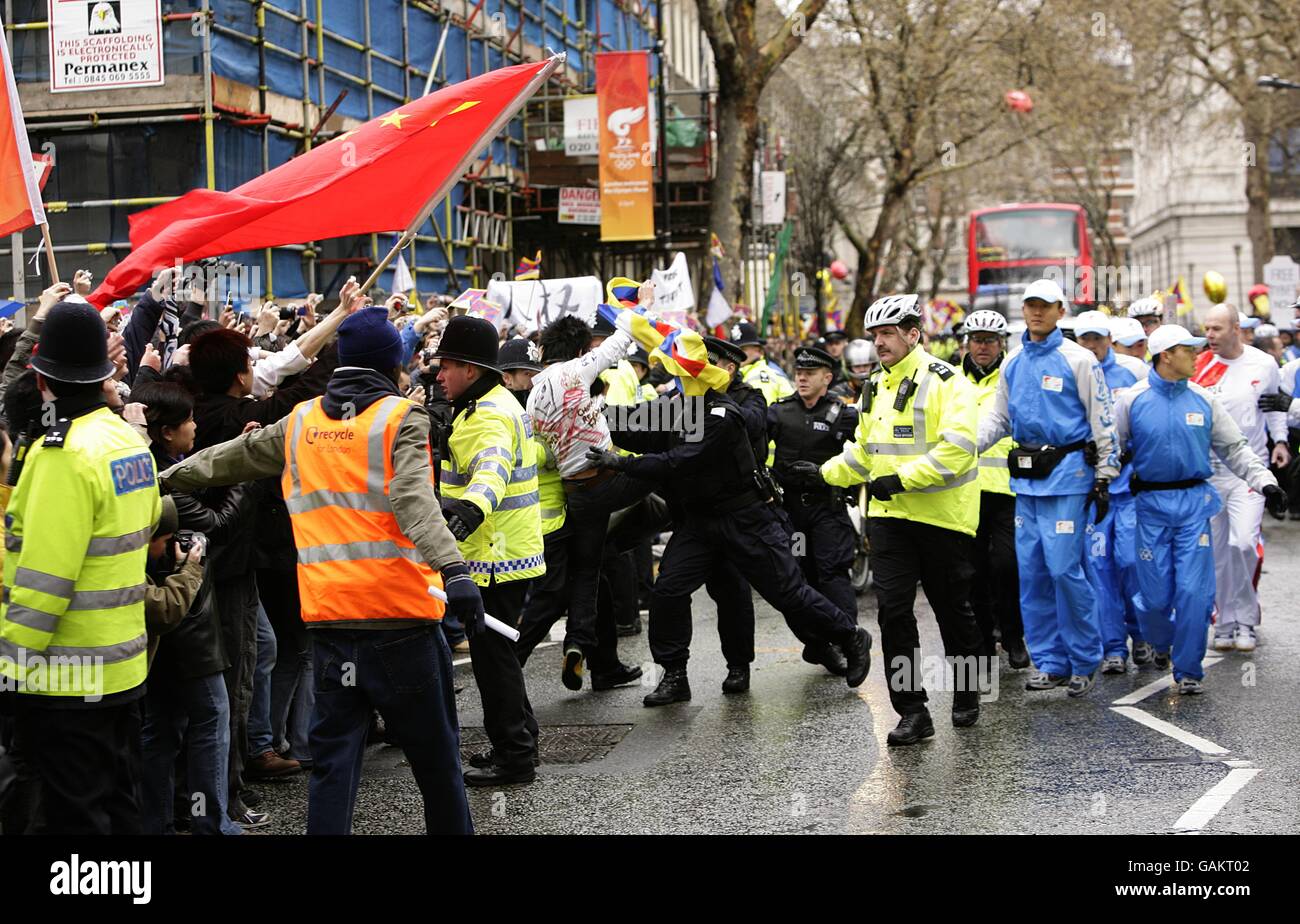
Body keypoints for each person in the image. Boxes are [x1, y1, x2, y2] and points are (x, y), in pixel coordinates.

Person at [161, 302, 479, 834]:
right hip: (400, 621)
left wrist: (164, 478)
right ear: (391, 365)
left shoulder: (301, 421)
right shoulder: (401, 417)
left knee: (333, 767)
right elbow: (413, 500)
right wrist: (455, 570)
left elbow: (227, 457)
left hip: (330, 625)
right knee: (436, 762)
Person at [588, 351, 872, 707]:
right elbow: (640, 428)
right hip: (699, 522)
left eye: (683, 374)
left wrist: (622, 464)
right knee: (669, 590)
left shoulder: (723, 413)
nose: (674, 381)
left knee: (787, 592)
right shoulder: (679, 406)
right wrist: (592, 414)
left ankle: (850, 636)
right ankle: (674, 674)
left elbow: (679, 460)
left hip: (746, 518)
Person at [0, 301, 161, 834]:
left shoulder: (61, 457)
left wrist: (9, 668)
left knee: (76, 819)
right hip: (123, 665)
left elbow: (43, 586)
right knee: (120, 805)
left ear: (43, 380)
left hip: (65, 675)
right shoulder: (126, 442)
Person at [816, 294, 985, 746]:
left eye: (888, 333)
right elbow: (866, 449)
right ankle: (912, 710)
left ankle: (967, 692)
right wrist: (823, 474)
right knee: (894, 615)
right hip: (891, 519)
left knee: (954, 613)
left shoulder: (947, 382)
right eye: (874, 335)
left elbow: (957, 449)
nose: (879, 343)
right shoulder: (875, 385)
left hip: (944, 519)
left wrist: (902, 480)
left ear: (914, 333)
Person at [1116, 325, 1284, 693]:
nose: (1197, 355)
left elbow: (1235, 448)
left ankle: (1189, 669)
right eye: (1188, 350)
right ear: (1165, 356)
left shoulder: (1203, 400)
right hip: (1151, 508)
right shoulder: (1132, 400)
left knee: (1195, 593)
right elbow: (1113, 449)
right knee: (1155, 598)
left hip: (1194, 507)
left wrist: (1265, 482)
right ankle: (1160, 643)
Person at [978, 279, 1119, 698]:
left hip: (1071, 477)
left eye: (1045, 306)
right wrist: (960, 445)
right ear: (1023, 311)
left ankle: (1084, 657)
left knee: (1063, 569)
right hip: (1028, 481)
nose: (1036, 313)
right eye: (1030, 306)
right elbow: (998, 420)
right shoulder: (1014, 362)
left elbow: (1103, 418)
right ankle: (1050, 661)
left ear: (1060, 311)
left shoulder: (1078, 360)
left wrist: (1105, 476)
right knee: (1034, 572)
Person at [435, 315, 544, 787]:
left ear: (472, 371)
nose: (439, 374)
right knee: (498, 658)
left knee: (493, 662)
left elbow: (493, 468)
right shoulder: (488, 402)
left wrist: (469, 511)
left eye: (448, 365)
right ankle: (519, 744)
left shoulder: (491, 414)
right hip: (504, 552)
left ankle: (515, 758)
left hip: (495, 557)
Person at [518, 314, 646, 693]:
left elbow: (547, 456)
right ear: (578, 350)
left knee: (590, 574)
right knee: (668, 474)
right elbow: (621, 340)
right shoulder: (577, 370)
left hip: (577, 496)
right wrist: (641, 306)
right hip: (608, 480)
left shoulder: (532, 399)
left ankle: (580, 647)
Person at [1193, 304, 1289, 653]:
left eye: (1217, 329)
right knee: (1218, 553)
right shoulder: (1200, 366)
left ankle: (1246, 618)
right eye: (1207, 329)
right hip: (1211, 473)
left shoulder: (1262, 364)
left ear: (1237, 328)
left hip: (1250, 468)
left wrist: (1280, 441)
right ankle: (1225, 621)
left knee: (1244, 543)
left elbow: (1273, 407)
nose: (1210, 336)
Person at [769, 345, 861, 674]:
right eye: (799, 372)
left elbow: (864, 452)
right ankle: (818, 643)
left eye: (810, 373)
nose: (802, 377)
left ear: (828, 377)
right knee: (796, 577)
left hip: (827, 508)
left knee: (832, 572)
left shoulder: (844, 414)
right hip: (792, 514)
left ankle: (849, 641)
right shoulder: (779, 412)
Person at [1074, 311, 1148, 673]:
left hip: (1130, 488)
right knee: (1100, 571)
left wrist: (1134, 448)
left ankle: (1143, 634)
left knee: (1132, 563)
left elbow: (1150, 414)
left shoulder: (1133, 371)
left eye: (1097, 338)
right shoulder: (1071, 371)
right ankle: (1114, 647)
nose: (1091, 345)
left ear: (1108, 339)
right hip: (1092, 492)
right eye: (1084, 338)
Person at [959, 310, 1028, 669]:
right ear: (967, 343)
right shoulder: (952, 381)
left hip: (1007, 490)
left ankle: (1014, 634)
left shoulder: (1013, 377)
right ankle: (984, 640)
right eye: (976, 340)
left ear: (1001, 343)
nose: (982, 347)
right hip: (965, 491)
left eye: (989, 340)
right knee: (973, 570)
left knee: (1007, 564)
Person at [731, 321, 794, 404]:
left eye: (743, 350)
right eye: (734, 350)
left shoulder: (759, 376)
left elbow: (764, 413)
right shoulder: (746, 372)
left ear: (759, 351)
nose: (738, 355)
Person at [831, 338, 878, 403]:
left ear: (873, 365)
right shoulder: (839, 391)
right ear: (848, 367)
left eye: (866, 365)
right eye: (857, 366)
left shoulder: (883, 387)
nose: (862, 370)